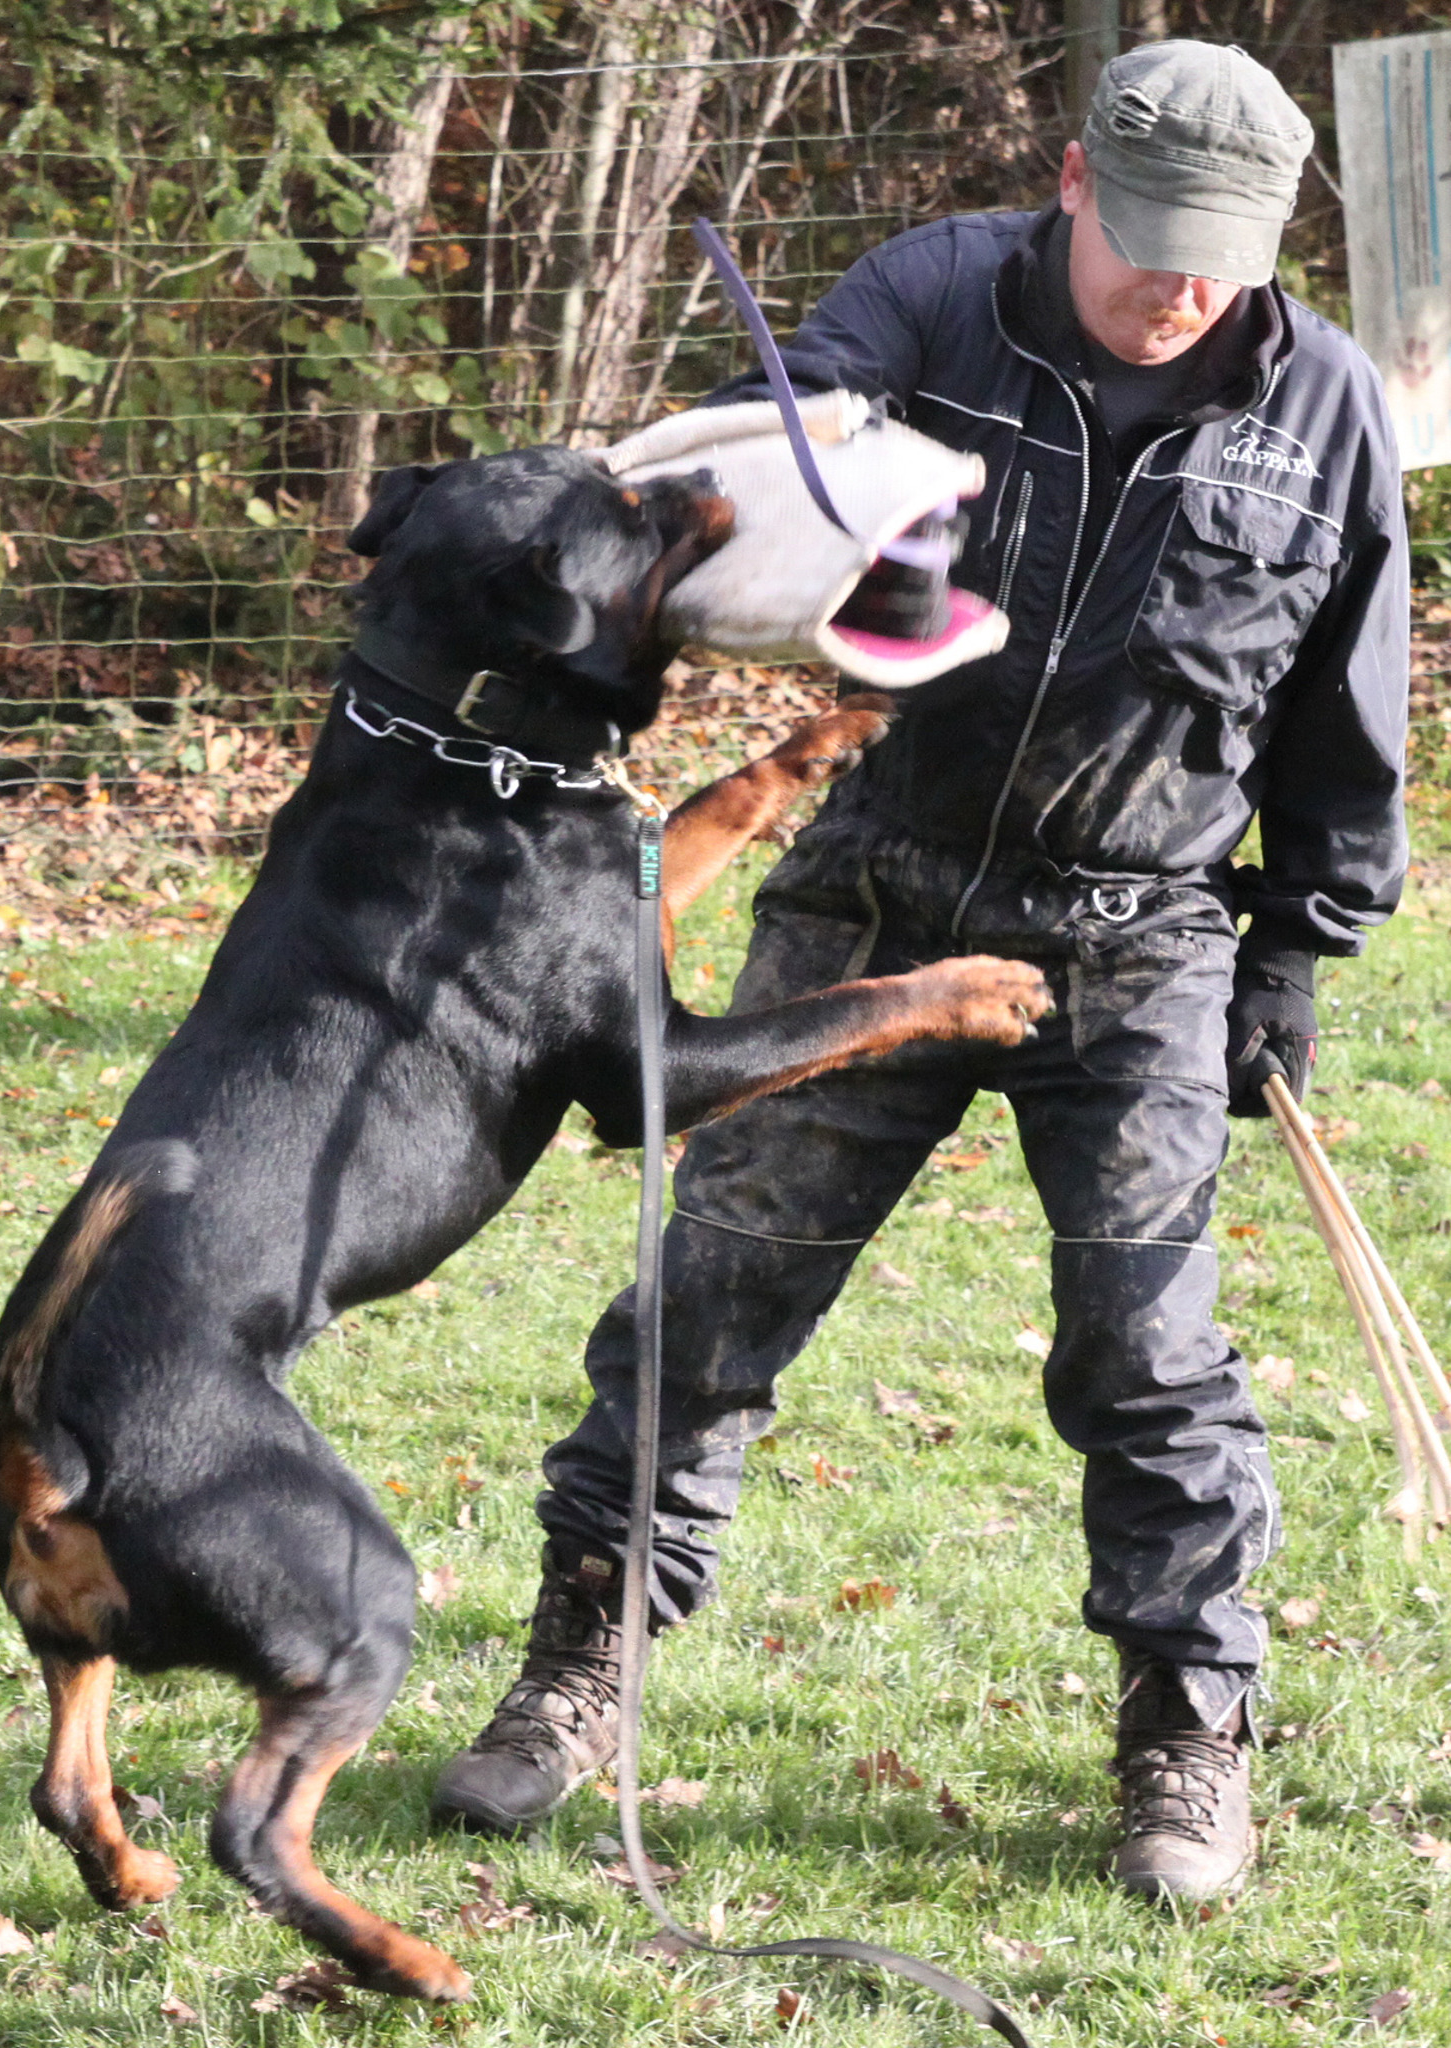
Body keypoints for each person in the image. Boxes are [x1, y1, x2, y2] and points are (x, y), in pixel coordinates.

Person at [432, 40, 1408, 1900]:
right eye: (1148, 242)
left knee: (1146, 1347)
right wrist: (776, 486)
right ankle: (576, 1671)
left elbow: (1345, 702)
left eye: (1218, 258)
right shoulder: (929, 299)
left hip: (1139, 934)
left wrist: (1299, 939)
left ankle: (1185, 1732)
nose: (1179, 289)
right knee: (712, 1296)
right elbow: (760, 451)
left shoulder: (1322, 404)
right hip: (876, 899)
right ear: (1071, 181)